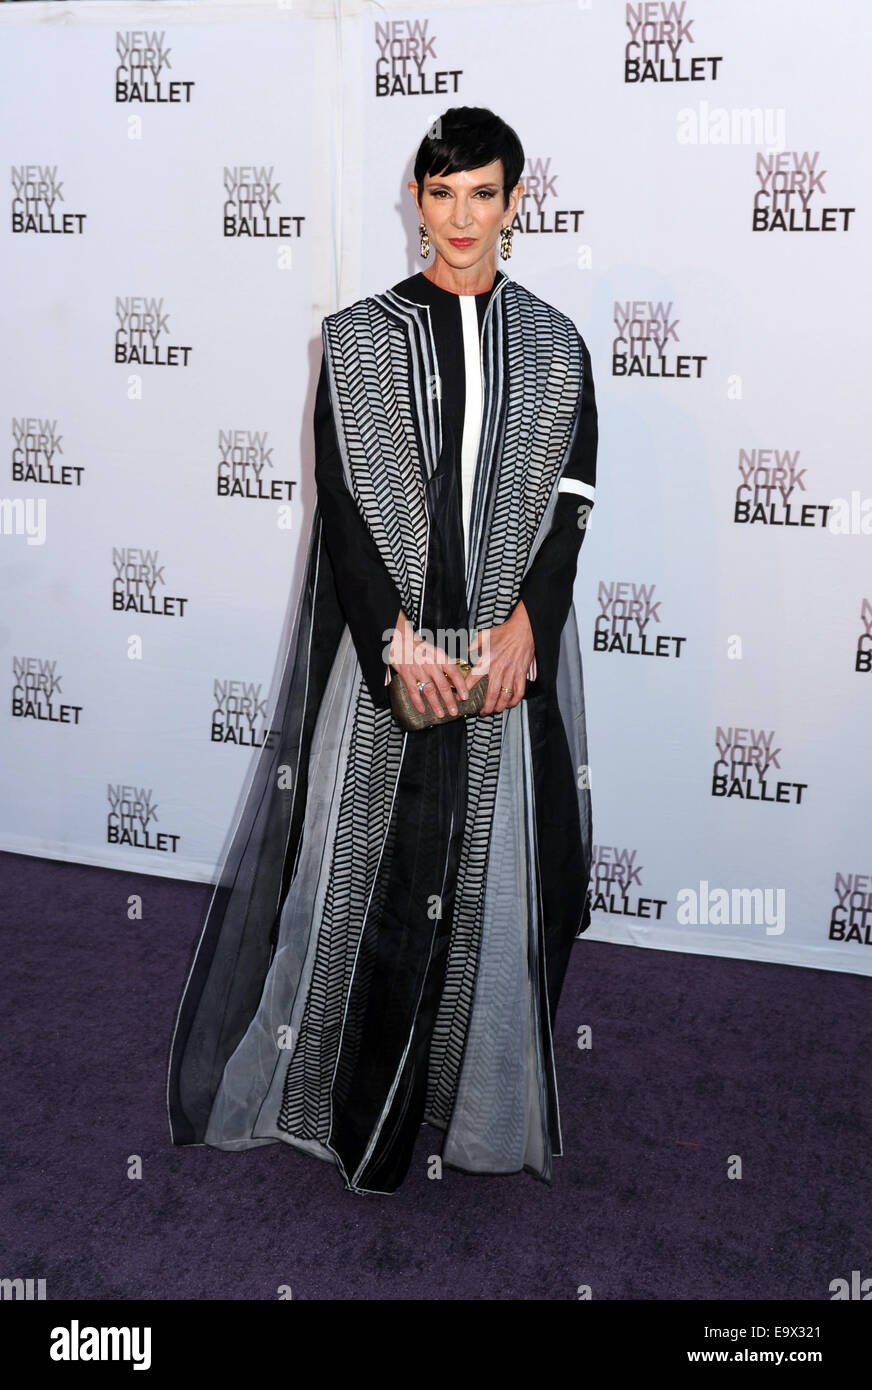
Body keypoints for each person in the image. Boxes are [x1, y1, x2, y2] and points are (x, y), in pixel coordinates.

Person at [166, 106, 598, 1196]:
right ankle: (338, 1097)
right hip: (388, 667)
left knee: (493, 889)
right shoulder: (355, 337)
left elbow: (569, 509)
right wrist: (395, 644)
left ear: (513, 203)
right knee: (357, 880)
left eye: (482, 194)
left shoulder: (556, 345)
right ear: (416, 201)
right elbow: (345, 519)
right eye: (440, 193)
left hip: (501, 667)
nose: (460, 218)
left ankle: (470, 1101)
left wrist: (527, 624)